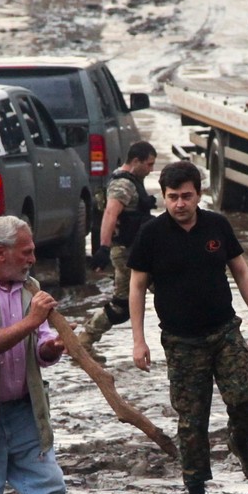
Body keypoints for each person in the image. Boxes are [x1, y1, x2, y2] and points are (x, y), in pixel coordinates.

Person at [128, 160, 248, 494]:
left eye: (186, 196)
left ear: (199, 194)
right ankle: (196, 489)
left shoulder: (217, 226)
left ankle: (239, 438)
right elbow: (137, 287)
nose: (179, 204)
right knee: (192, 421)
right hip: (180, 340)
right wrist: (138, 340)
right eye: (172, 197)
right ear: (163, 197)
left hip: (224, 330)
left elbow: (242, 272)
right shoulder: (151, 234)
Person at [0, 216, 68, 494]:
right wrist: (32, 321)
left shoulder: (31, 289)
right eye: (26, 252)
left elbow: (42, 341)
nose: (32, 259)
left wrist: (50, 348)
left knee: (50, 488)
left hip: (25, 413)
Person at [84, 141, 158, 362]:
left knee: (123, 305)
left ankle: (84, 342)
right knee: (130, 303)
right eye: (149, 164)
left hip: (135, 250)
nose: (151, 169)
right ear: (136, 162)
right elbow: (110, 214)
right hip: (127, 252)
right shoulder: (123, 185)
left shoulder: (131, 181)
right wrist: (104, 247)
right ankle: (83, 343)